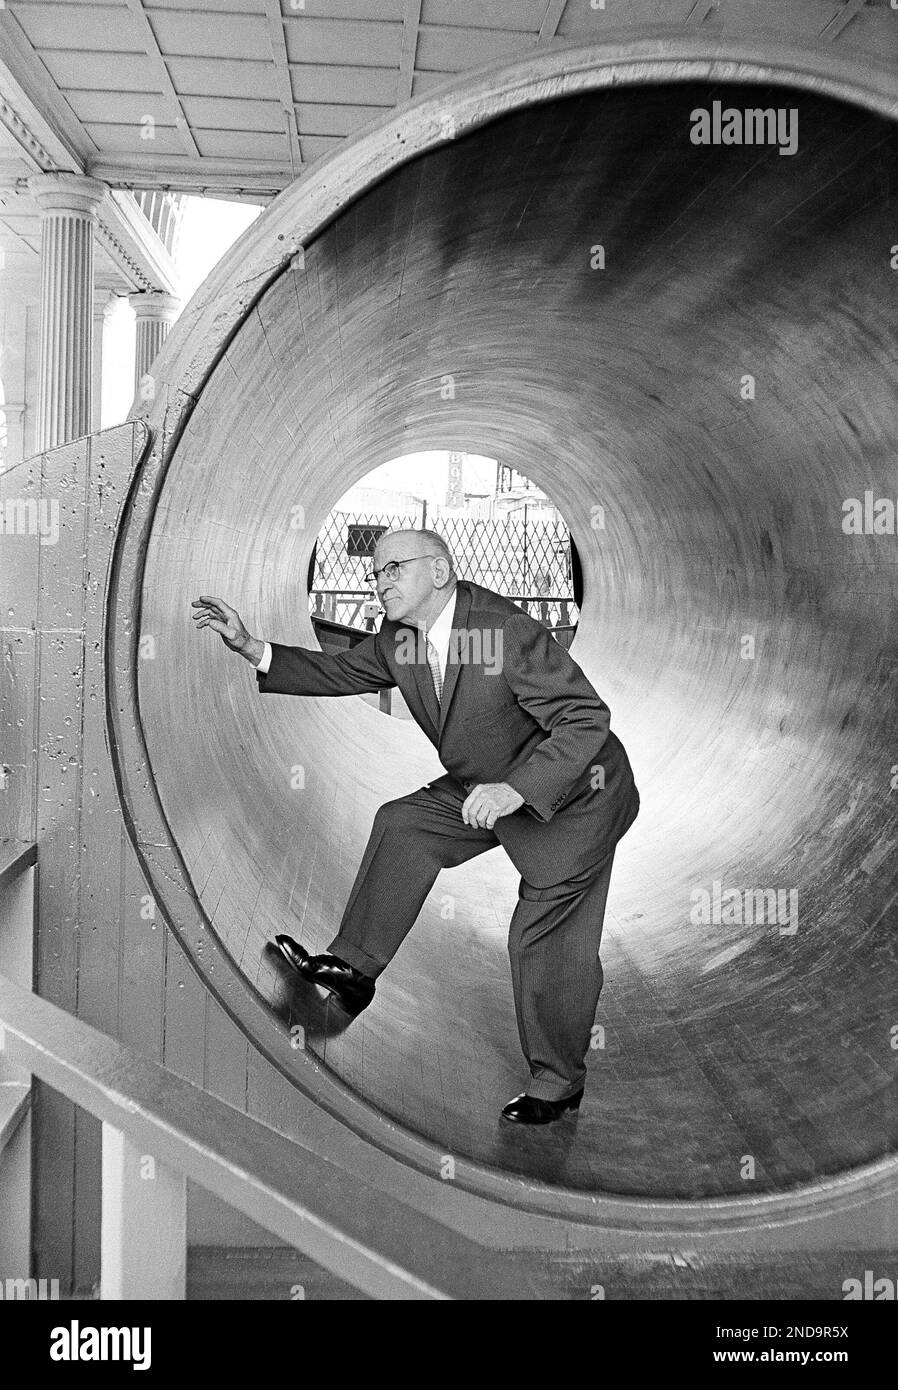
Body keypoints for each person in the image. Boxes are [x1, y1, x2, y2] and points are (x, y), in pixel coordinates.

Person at [191, 528, 640, 1125]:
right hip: (484, 782)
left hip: (576, 798)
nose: (382, 583)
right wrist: (251, 646)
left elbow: (586, 717)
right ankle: (355, 970)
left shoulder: (500, 632)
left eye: (394, 568)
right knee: (404, 825)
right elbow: (340, 672)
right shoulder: (400, 640)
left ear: (440, 571)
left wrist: (516, 791)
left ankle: (559, 1082)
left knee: (542, 942)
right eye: (376, 574)